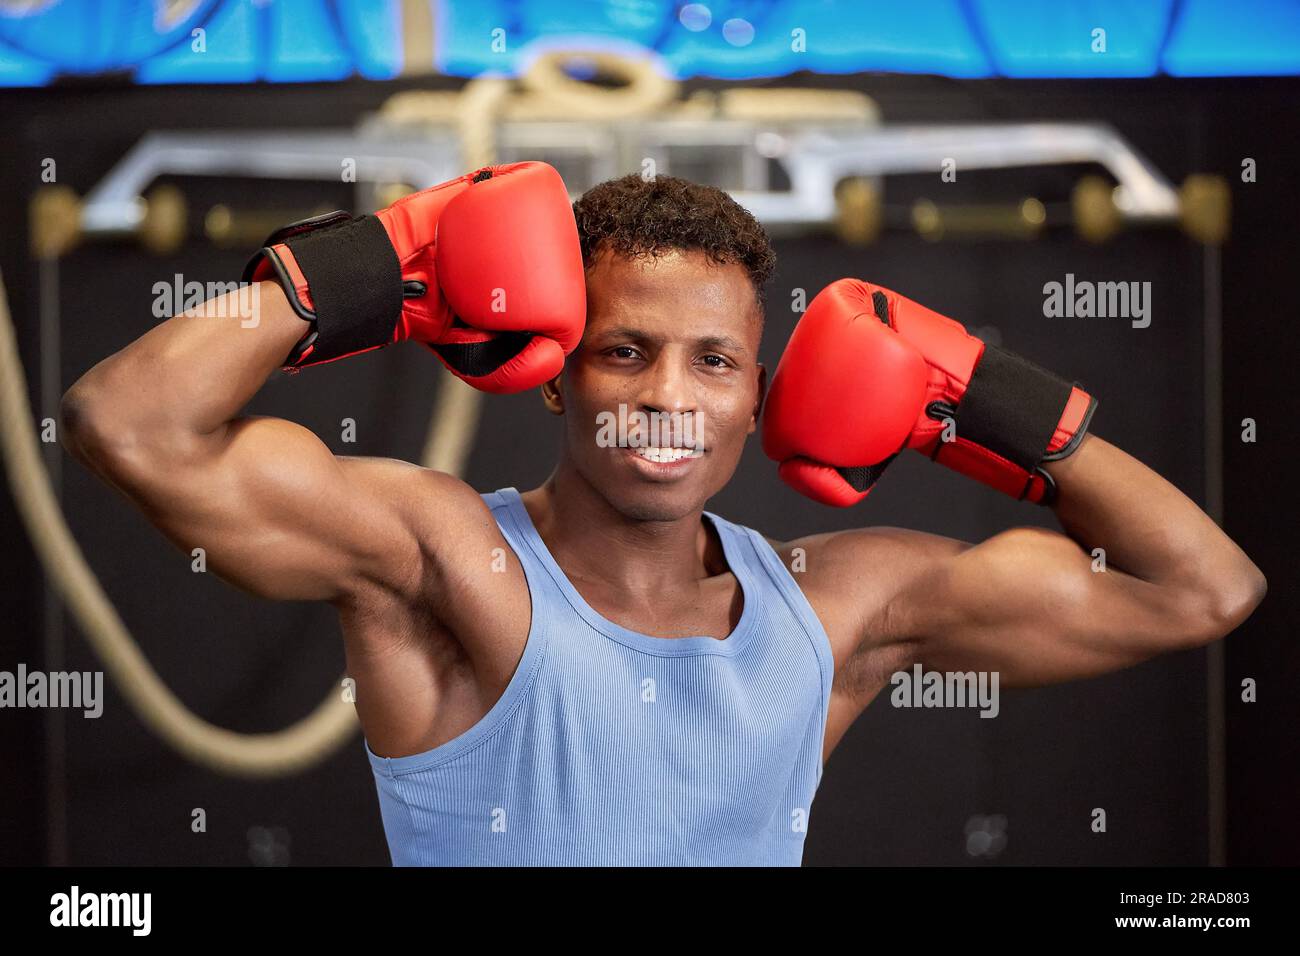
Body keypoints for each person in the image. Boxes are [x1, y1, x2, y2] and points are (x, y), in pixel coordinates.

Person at [60, 163, 1266, 866]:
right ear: (555, 374)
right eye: (624, 350)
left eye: (713, 362)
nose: (668, 397)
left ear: (757, 397)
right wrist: (383, 262)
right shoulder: (442, 557)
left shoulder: (837, 604)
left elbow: (1202, 587)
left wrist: (974, 403)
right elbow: (128, 423)